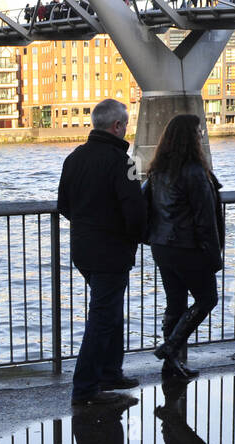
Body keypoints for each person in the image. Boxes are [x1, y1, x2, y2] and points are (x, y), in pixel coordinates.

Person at [58, 98, 147, 409]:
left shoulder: (73, 158)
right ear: (118, 126)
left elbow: (64, 206)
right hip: (112, 252)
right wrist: (138, 236)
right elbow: (135, 212)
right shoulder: (127, 164)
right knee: (102, 318)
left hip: (82, 250)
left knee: (107, 312)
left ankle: (110, 373)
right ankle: (85, 389)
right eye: (126, 124)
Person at [143, 113, 224, 380]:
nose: (201, 136)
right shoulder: (194, 172)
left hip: (162, 246)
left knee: (175, 303)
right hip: (188, 247)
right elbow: (205, 220)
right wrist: (214, 257)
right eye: (199, 133)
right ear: (191, 139)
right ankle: (170, 348)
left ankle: (171, 366)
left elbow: (147, 208)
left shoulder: (157, 171)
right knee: (207, 299)